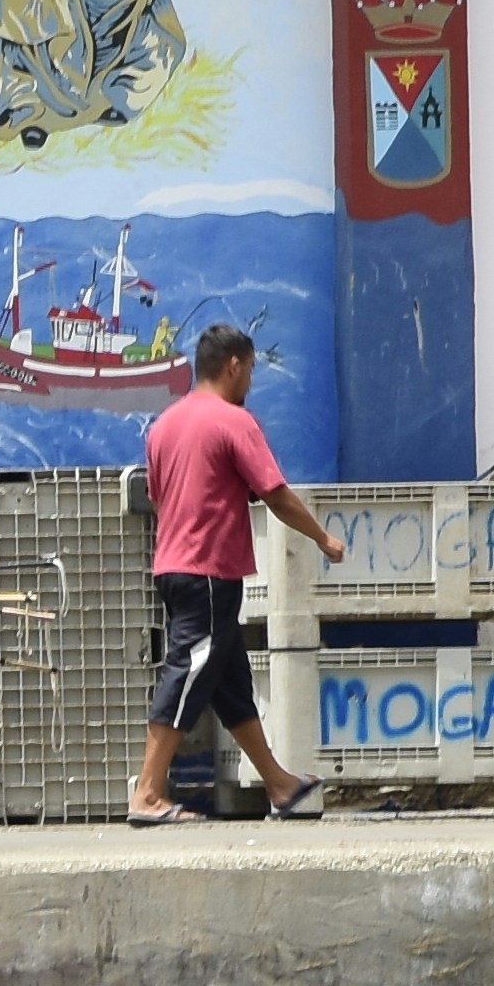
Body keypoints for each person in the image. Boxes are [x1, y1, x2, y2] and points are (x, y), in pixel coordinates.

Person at [128, 325, 344, 826]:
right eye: (250, 370)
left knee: (229, 683)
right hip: (208, 572)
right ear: (234, 366)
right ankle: (147, 793)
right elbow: (274, 492)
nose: (250, 380)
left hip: (173, 567)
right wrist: (322, 537)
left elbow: (163, 497)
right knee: (187, 671)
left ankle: (281, 784)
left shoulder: (163, 425)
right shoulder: (234, 422)